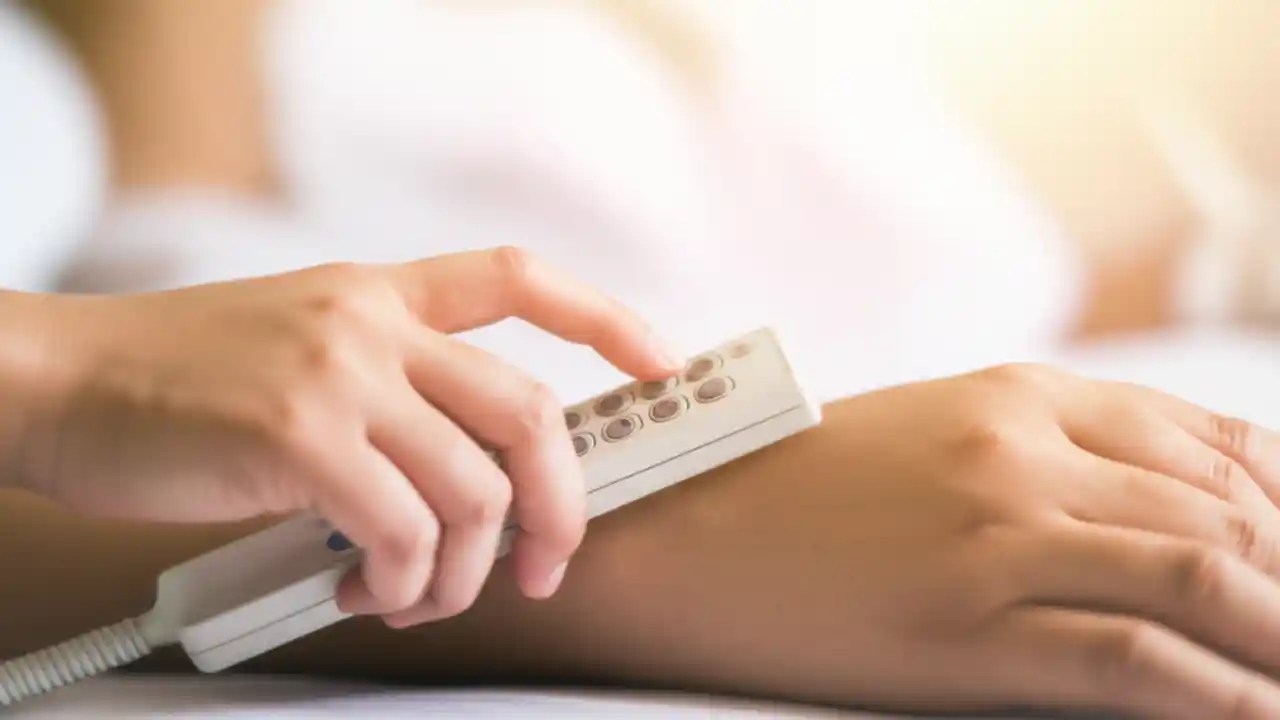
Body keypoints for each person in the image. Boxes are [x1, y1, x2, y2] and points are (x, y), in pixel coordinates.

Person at [5, 1, 1280, 719]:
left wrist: (1214, 275)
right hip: (640, 486)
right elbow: (191, 321)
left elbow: (1011, 290)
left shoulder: (835, 45)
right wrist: (679, 532)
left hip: (1025, 421)